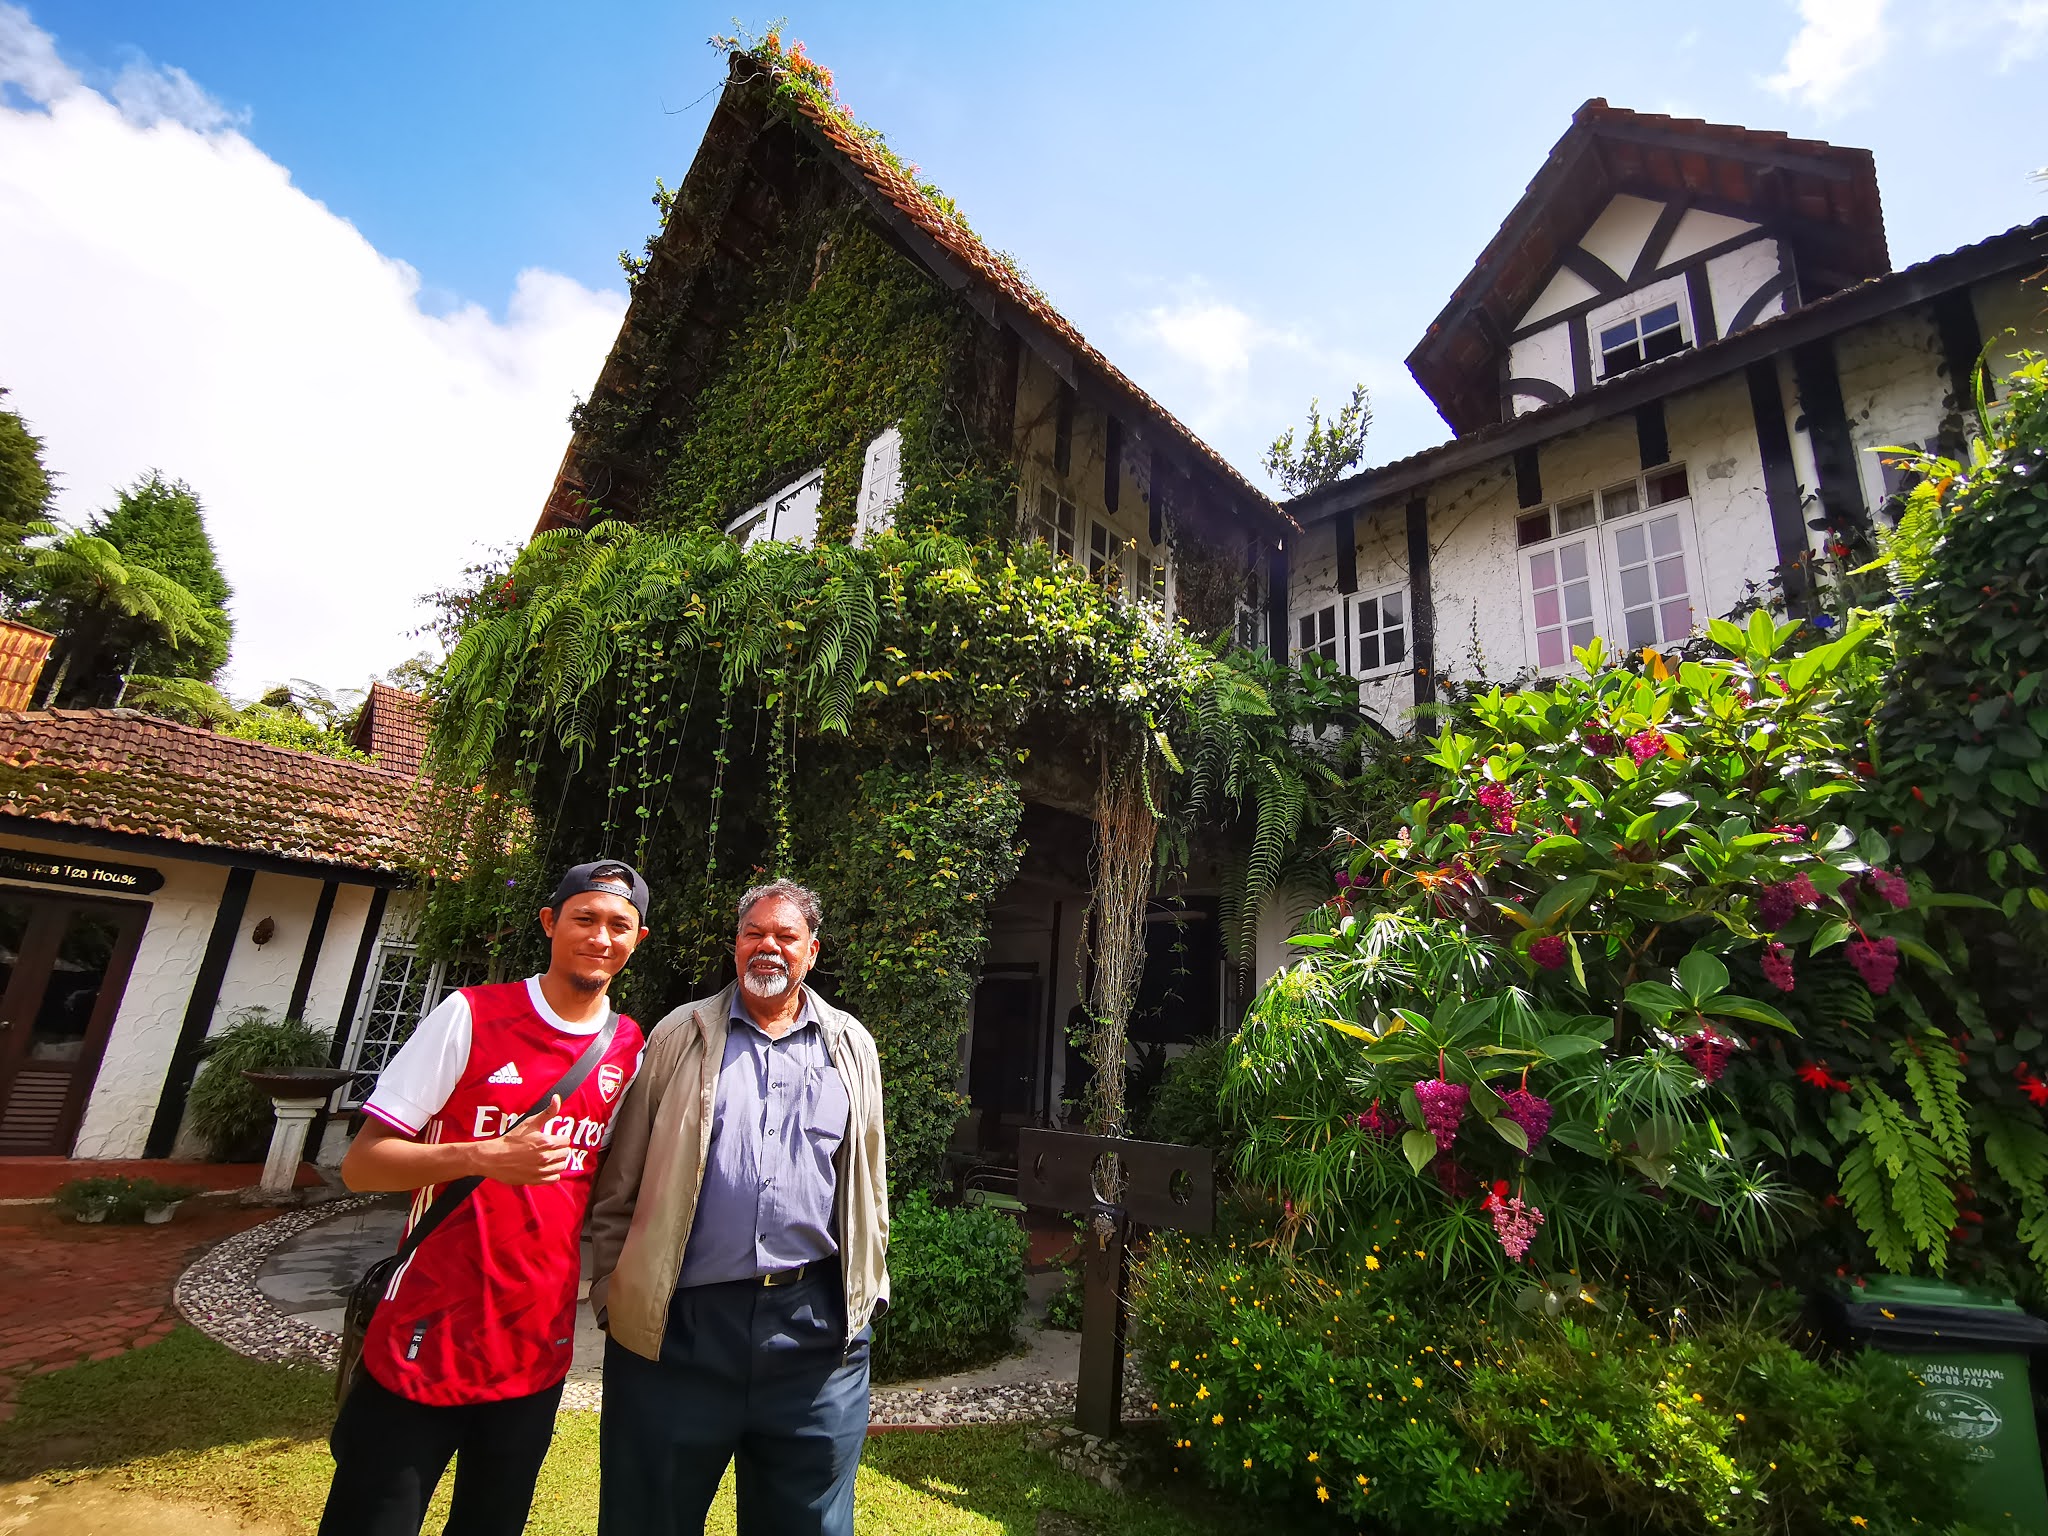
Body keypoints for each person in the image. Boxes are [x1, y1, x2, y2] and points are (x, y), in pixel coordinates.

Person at [317, 860, 651, 1536]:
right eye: (584, 918)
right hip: (427, 1328)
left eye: (619, 925)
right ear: (550, 922)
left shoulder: (627, 1047)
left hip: (534, 1343)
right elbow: (362, 1165)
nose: (600, 937)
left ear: (637, 940)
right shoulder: (470, 1015)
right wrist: (483, 1156)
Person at [590, 878, 889, 1536]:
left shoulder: (850, 1046)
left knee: (809, 1525)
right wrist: (615, 1291)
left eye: (785, 936)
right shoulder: (680, 1035)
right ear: (735, 946)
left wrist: (867, 1296)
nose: (768, 947)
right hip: (681, 1330)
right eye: (754, 933)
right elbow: (619, 1184)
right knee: (649, 1517)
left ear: (812, 951)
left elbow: (870, 1183)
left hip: (814, 1334)